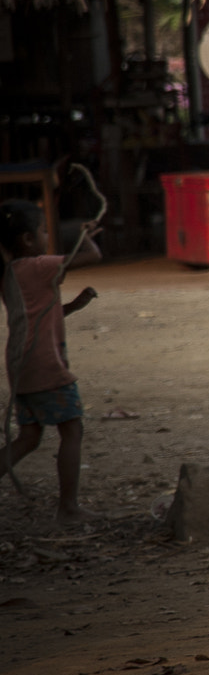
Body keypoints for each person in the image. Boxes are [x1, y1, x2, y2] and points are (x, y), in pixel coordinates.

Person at [1, 201, 100, 520]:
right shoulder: (38, 266)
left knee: (28, 438)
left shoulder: (9, 274)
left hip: (21, 364)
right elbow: (92, 257)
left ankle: (68, 506)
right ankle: (68, 507)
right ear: (28, 240)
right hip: (45, 364)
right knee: (72, 430)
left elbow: (36, 315)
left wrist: (71, 306)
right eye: (44, 231)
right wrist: (84, 236)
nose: (47, 236)